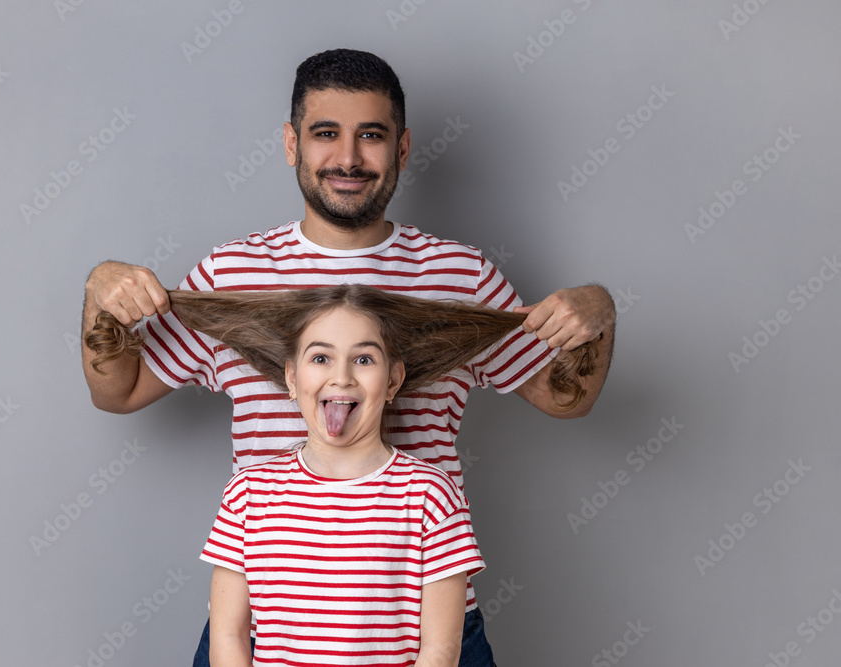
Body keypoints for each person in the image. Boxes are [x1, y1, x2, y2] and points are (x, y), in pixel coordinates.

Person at [81, 48, 615, 662]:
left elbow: (564, 399)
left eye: (372, 136)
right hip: (268, 626)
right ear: (291, 143)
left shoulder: (461, 276)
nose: (349, 158)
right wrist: (101, 296)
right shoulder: (230, 276)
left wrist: (598, 315)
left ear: (403, 148)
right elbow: (116, 392)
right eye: (325, 134)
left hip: (423, 625)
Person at [86, 285, 598, 665]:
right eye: (320, 357)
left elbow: (440, 650)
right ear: (290, 377)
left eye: (364, 359)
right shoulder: (249, 494)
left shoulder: (429, 495)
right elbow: (228, 638)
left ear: (394, 380)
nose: (342, 376)